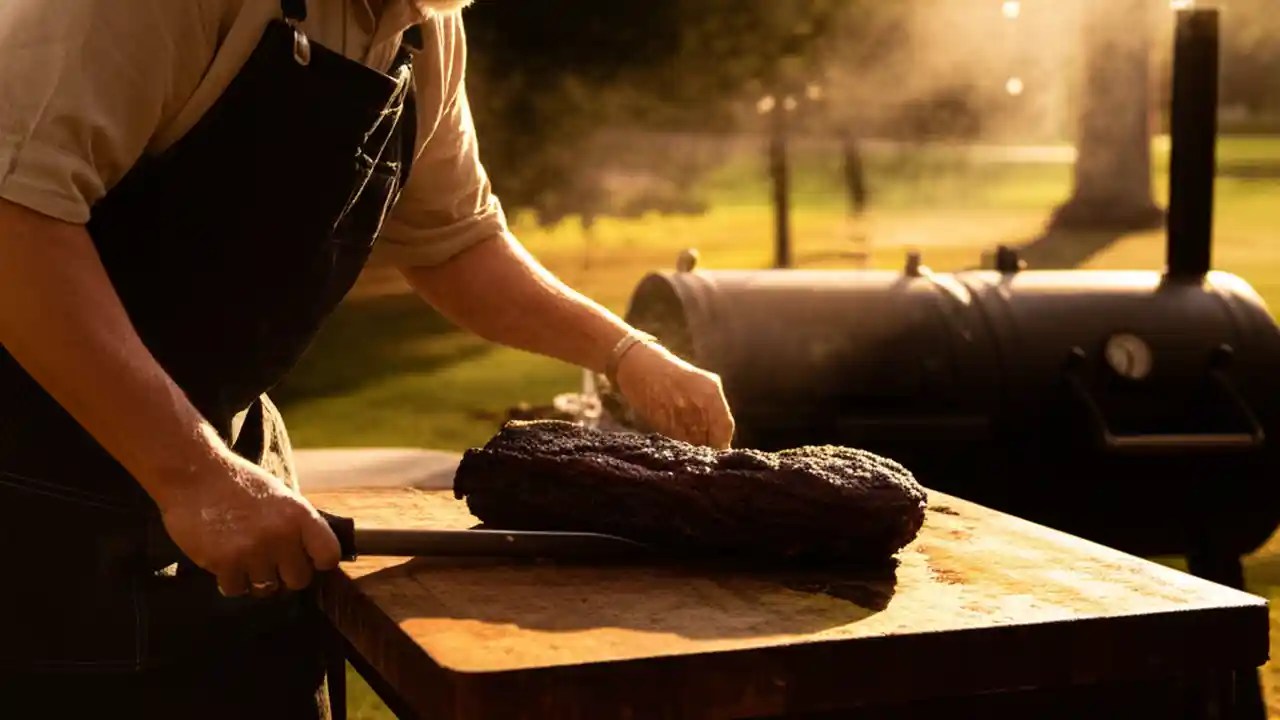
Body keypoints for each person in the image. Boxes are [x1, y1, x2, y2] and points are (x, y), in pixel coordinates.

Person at [0, 0, 735, 716]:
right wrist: (192, 475)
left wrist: (627, 351)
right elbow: (14, 216)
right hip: (36, 517)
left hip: (231, 478)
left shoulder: (425, 24)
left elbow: (454, 240)